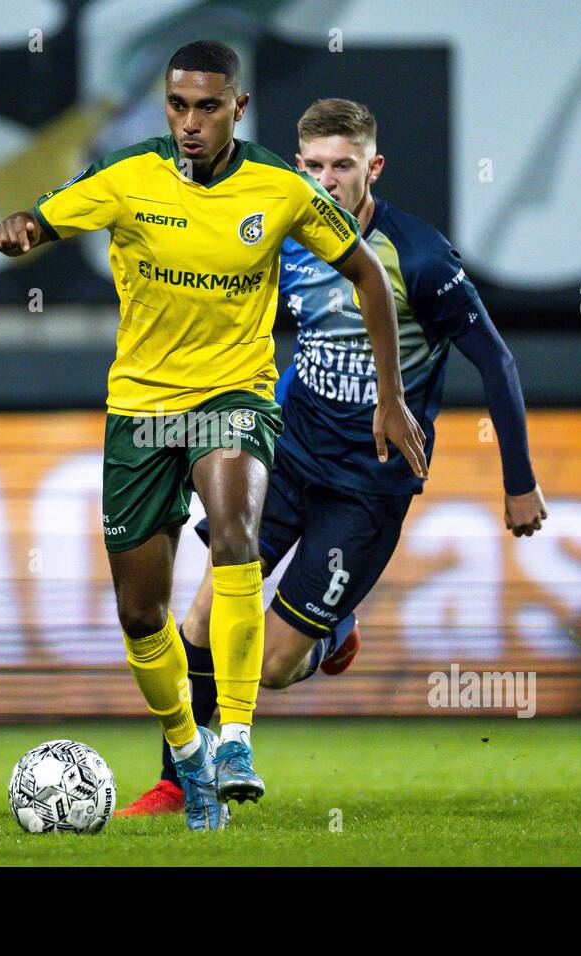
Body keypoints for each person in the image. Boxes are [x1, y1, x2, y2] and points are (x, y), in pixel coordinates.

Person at [0, 52, 427, 830]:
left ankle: (235, 741)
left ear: (239, 107)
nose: (190, 122)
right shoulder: (127, 175)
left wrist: (390, 398)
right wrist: (24, 227)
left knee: (235, 539)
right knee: (140, 615)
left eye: (207, 107)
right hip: (141, 411)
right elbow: (45, 214)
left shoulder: (281, 190)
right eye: (177, 106)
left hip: (235, 397)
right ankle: (188, 758)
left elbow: (366, 276)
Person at [117, 98, 548, 816]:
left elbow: (497, 364)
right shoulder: (284, 237)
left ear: (371, 168)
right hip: (288, 453)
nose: (327, 182)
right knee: (200, 622)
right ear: (298, 167)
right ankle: (179, 782)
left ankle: (335, 631)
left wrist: (520, 485)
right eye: (313, 167)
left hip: (368, 485)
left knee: (275, 666)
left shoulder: (422, 259)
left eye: (342, 166)